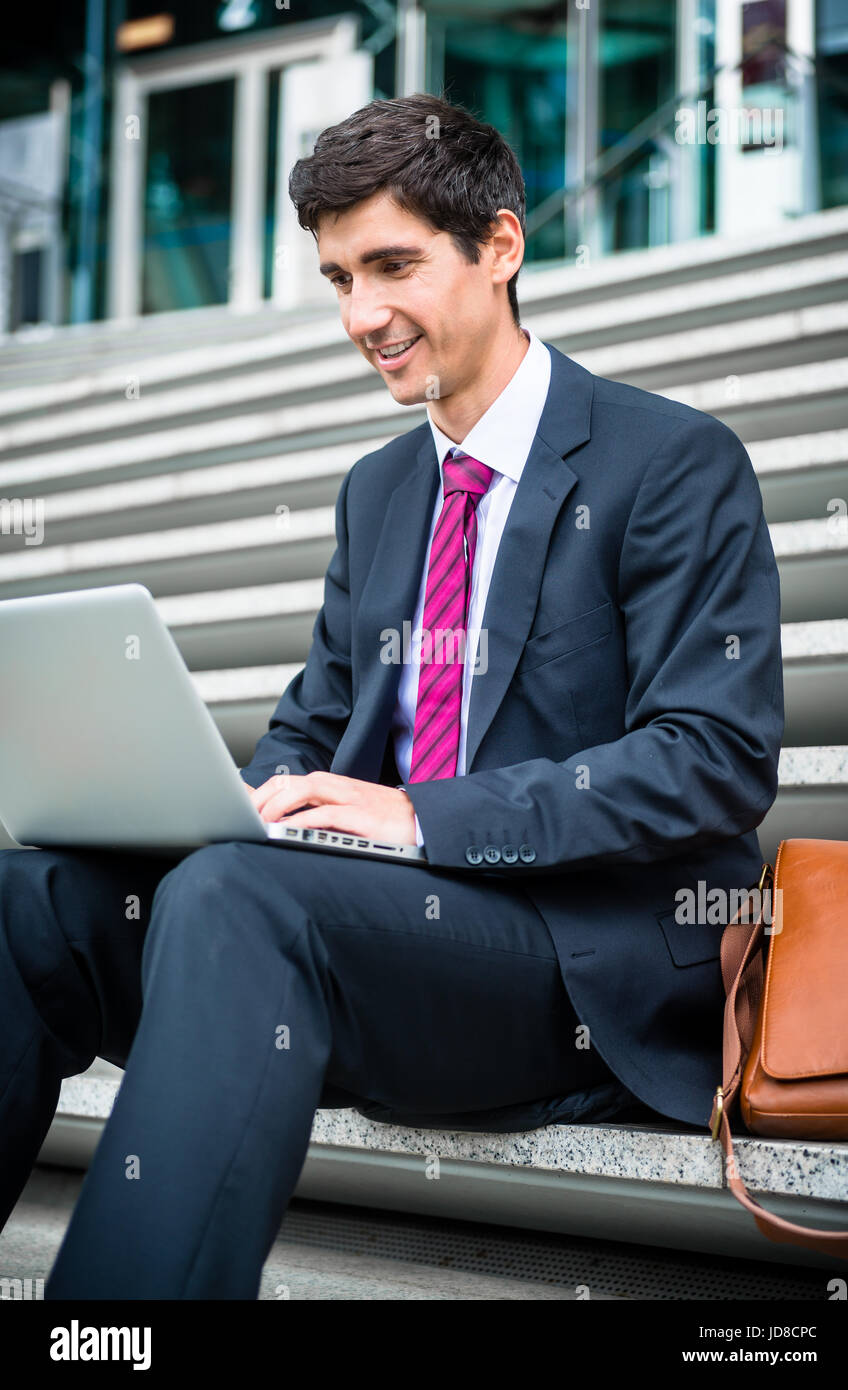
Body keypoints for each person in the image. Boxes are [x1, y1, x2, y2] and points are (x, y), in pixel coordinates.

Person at [0, 93, 783, 1300]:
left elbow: (712, 757)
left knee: (235, 898)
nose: (364, 315)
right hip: (372, 935)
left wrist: (420, 817)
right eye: (337, 277)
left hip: (564, 963)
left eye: (393, 265)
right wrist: (232, 802)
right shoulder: (380, 492)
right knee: (26, 895)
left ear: (503, 247)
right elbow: (315, 727)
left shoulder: (669, 461)